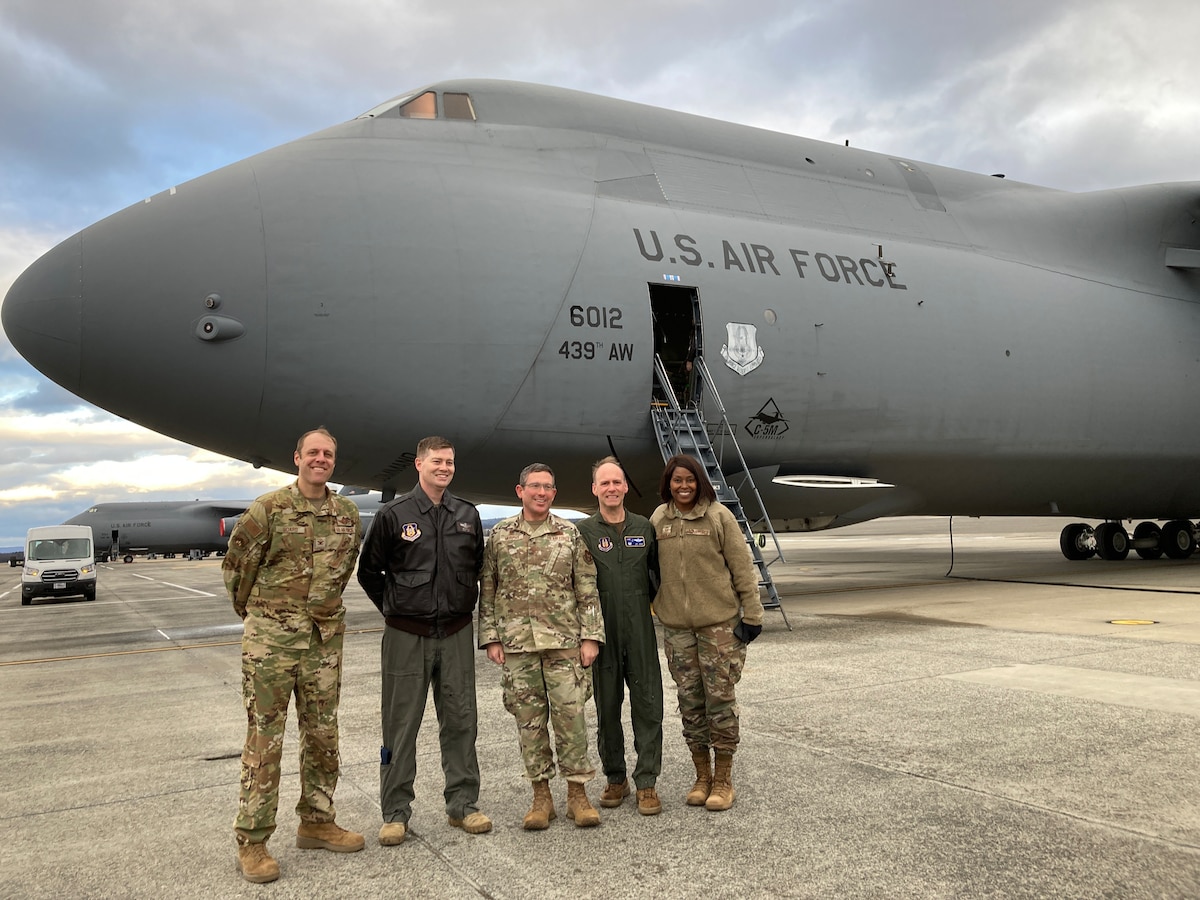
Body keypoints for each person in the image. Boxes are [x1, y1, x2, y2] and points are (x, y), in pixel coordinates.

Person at [223, 427, 364, 884]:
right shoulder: (269, 508)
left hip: (323, 643)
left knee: (323, 734)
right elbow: (237, 569)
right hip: (272, 645)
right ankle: (252, 840)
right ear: (297, 458)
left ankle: (317, 822)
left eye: (328, 454)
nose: (320, 459)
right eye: (313, 453)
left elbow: (344, 569)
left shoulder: (347, 514)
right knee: (265, 739)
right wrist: (264, 617)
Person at [356, 436, 490, 846]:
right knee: (400, 725)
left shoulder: (466, 514)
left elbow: (477, 568)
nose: (444, 468)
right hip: (406, 635)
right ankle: (395, 812)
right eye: (436, 461)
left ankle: (463, 804)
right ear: (419, 464)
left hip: (455, 632)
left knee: (462, 721)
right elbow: (369, 571)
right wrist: (396, 608)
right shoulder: (394, 514)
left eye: (449, 462)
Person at [479, 463, 606, 829]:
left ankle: (577, 795)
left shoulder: (569, 533)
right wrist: (490, 637)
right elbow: (489, 587)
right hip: (517, 644)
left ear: (554, 493)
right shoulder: (500, 535)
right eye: (534, 486)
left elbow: (586, 587)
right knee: (529, 724)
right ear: (520, 491)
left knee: (571, 720)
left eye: (547, 487)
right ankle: (541, 797)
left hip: (564, 642)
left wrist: (591, 637)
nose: (541, 493)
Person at [650, 453, 764, 812]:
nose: (683, 486)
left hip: (718, 627)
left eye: (689, 480)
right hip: (678, 630)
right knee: (690, 704)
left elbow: (742, 567)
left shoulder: (718, 516)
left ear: (699, 481)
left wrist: (753, 614)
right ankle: (702, 776)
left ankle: (723, 779)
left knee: (720, 702)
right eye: (677, 480)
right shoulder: (659, 519)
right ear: (668, 484)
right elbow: (649, 570)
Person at [575, 457, 664, 816]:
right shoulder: (583, 532)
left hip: (640, 627)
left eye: (617, 482)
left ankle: (647, 782)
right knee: (607, 708)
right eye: (604, 483)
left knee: (648, 705)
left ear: (626, 487)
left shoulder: (644, 527)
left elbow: (657, 575)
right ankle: (616, 777)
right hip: (602, 630)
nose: (611, 488)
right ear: (594, 489)